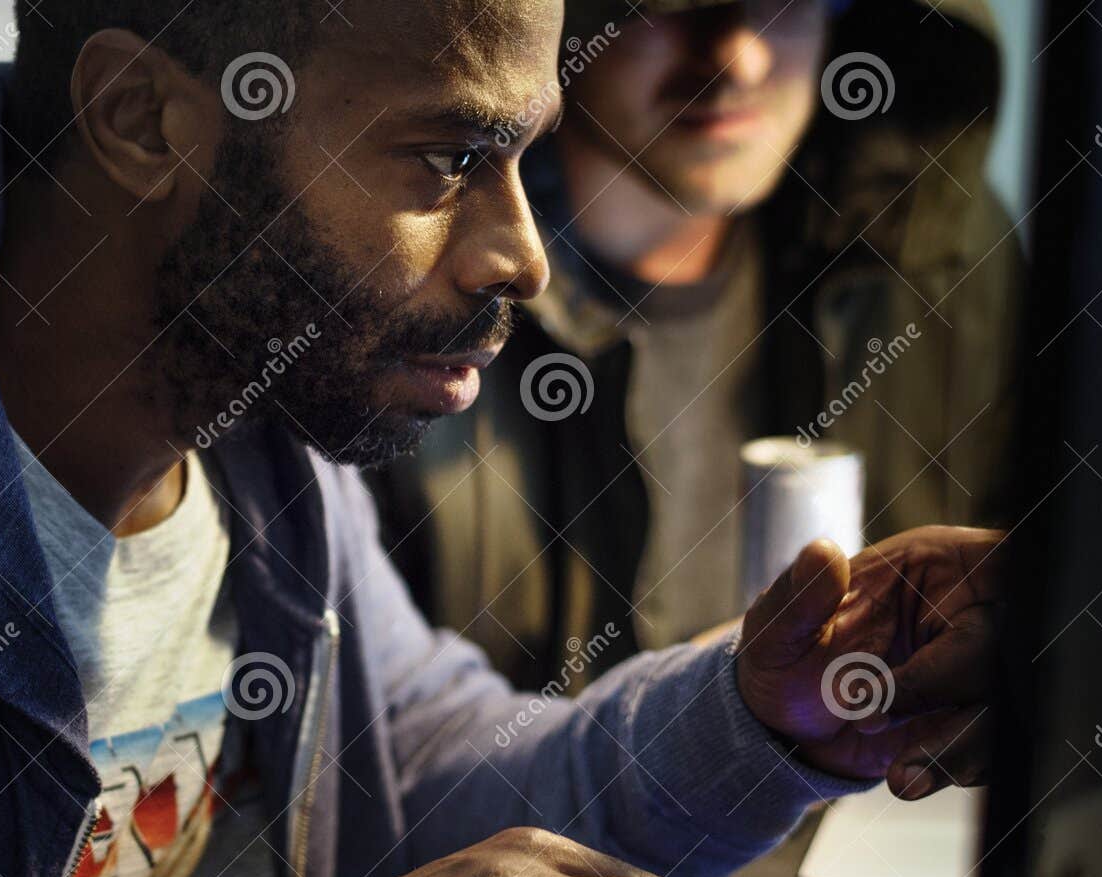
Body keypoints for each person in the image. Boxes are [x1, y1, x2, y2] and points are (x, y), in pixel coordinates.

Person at [0, 0, 999, 877]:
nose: (521, 254)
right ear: (143, 118)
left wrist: (768, 712)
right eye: (445, 158)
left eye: (522, 157)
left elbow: (430, 785)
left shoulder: (252, 404)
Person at [371, 0, 1021, 690]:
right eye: (679, 5)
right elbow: (374, 732)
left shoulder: (938, 259)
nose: (739, 58)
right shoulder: (394, 299)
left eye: (788, 4)